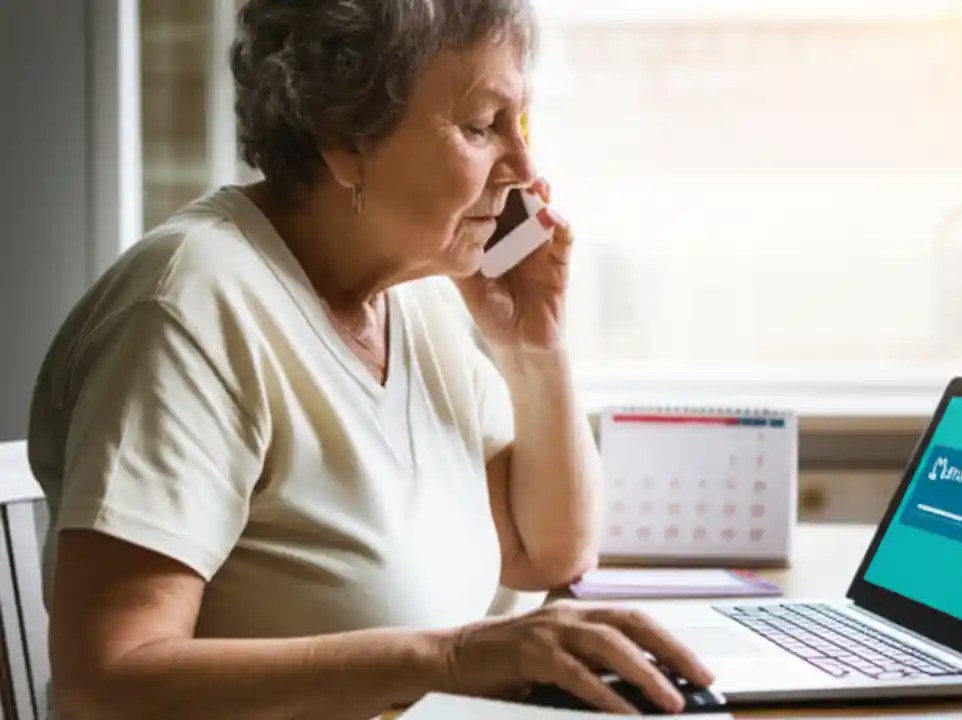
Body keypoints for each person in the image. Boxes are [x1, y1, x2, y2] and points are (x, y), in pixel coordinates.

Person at [26, 1, 711, 717]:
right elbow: (105, 682)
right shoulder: (188, 308)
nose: (524, 168)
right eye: (481, 126)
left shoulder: (414, 298)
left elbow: (545, 552)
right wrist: (447, 661)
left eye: (523, 123)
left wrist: (534, 349)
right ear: (344, 138)